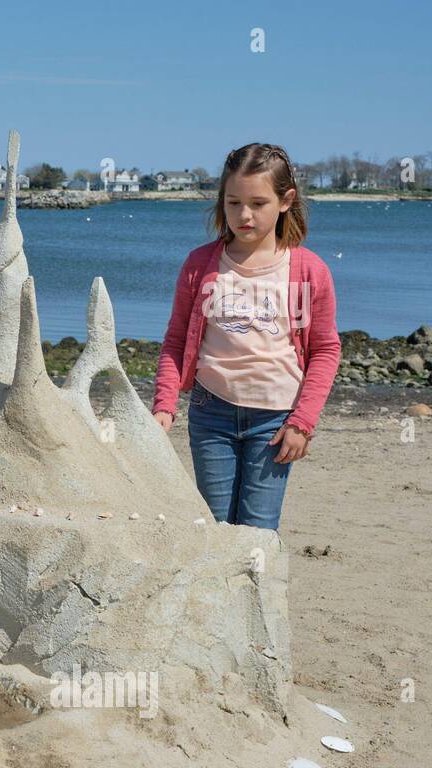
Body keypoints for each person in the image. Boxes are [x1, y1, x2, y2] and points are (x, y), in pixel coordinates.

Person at [152, 143, 340, 530]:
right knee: (215, 529)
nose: (244, 214)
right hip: (211, 413)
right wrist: (164, 406)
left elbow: (325, 350)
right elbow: (175, 342)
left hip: (276, 420)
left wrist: (302, 422)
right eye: (233, 202)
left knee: (258, 529)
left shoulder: (309, 270)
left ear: (286, 200)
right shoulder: (200, 265)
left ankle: (258, 593)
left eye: (258, 203)